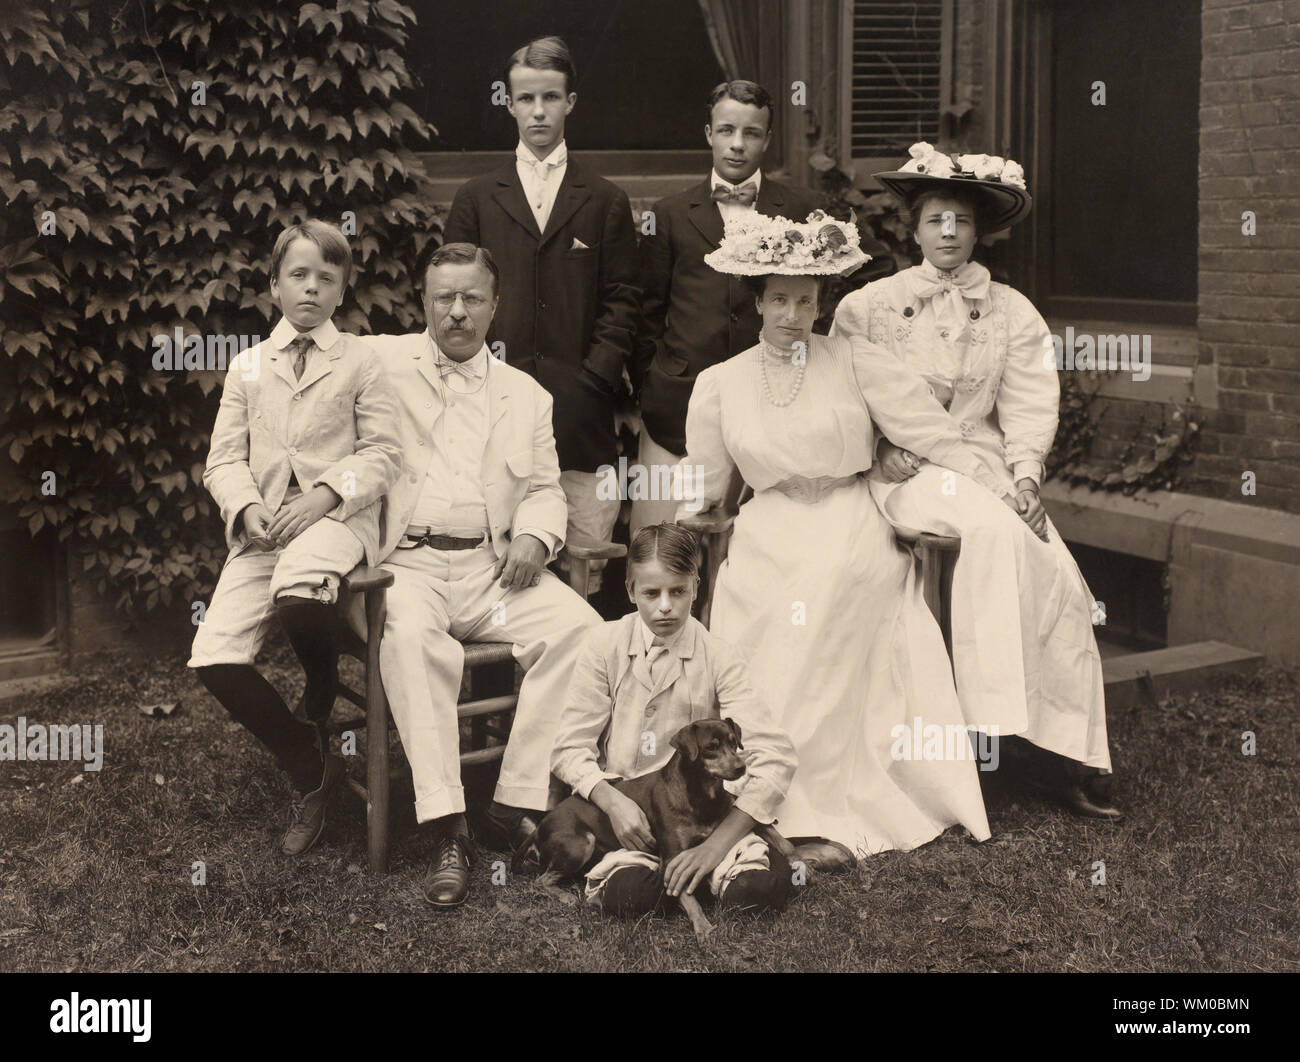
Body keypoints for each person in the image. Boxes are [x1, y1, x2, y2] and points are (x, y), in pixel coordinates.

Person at [677, 209, 1014, 856]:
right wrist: (682, 545)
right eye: (778, 299)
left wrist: (1001, 483)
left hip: (847, 517)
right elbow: (704, 495)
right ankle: (753, 799)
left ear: (820, 303)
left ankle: (817, 811)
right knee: (754, 615)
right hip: (768, 524)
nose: (791, 315)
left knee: (827, 599)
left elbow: (928, 429)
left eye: (805, 301)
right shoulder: (718, 385)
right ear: (757, 302)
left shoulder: (854, 360)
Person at [830, 143, 1118, 818]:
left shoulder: (1013, 311)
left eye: (961, 220)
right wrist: (875, 451)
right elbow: (840, 398)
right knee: (992, 534)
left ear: (979, 230)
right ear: (913, 229)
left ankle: (1067, 746)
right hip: (908, 471)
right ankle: (980, 734)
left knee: (1057, 569)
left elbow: (1026, 402)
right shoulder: (867, 308)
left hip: (985, 465)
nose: (949, 233)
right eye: (935, 220)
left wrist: (1023, 474)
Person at [363, 242, 602, 908]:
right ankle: (448, 825)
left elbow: (547, 488)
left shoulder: (524, 394)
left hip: (489, 570)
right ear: (424, 302)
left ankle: (512, 798)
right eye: (445, 297)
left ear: (496, 306)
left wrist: (533, 533)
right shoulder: (380, 364)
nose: (458, 313)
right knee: (413, 644)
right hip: (405, 566)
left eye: (472, 298)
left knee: (584, 632)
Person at [190, 220, 402, 856]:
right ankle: (308, 761)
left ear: (342, 291)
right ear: (275, 285)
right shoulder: (249, 366)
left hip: (335, 518)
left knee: (301, 589)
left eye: (326, 279)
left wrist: (326, 494)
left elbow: (385, 452)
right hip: (266, 530)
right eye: (298, 275)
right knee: (213, 656)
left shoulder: (362, 359)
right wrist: (247, 506)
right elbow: (222, 460)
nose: (311, 288)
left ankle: (318, 673)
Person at [442, 35, 639, 596]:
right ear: (508, 101)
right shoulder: (477, 199)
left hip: (578, 419)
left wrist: (593, 379)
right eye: (525, 98)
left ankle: (580, 678)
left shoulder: (605, 200)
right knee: (495, 569)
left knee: (584, 564)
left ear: (570, 102)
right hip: (489, 414)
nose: (538, 111)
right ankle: (496, 681)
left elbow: (624, 298)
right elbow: (451, 300)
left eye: (550, 97)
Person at [550, 522, 798, 915]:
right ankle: (678, 879)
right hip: (632, 816)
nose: (664, 605)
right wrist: (613, 803)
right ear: (630, 591)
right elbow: (568, 749)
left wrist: (716, 845)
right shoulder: (603, 645)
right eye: (651, 592)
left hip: (702, 814)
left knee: (758, 889)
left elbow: (775, 756)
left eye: (677, 591)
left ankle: (712, 869)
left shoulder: (719, 655)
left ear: (695, 589)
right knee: (630, 895)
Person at [630, 80, 822, 535]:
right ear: (708, 133)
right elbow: (646, 315)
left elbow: (830, 293)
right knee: (667, 545)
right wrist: (656, 380)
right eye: (726, 130)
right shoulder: (671, 214)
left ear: (768, 140)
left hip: (774, 403)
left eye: (752, 133)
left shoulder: (801, 209)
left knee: (763, 544)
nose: (738, 145)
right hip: (680, 404)